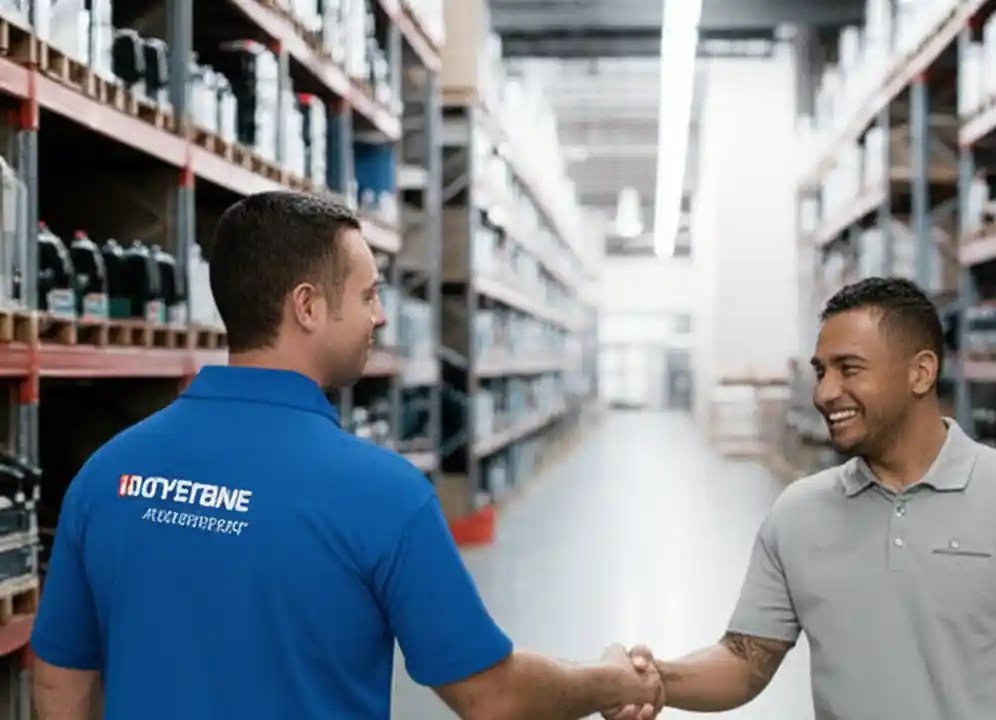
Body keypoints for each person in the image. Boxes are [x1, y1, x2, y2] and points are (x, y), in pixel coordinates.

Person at [30, 191, 663, 720]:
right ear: (307, 307)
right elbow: (489, 693)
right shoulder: (382, 495)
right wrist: (612, 682)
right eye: (368, 295)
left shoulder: (110, 474)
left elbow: (60, 681)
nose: (382, 317)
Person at [609, 277, 996, 720]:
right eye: (820, 371)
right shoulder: (799, 514)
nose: (824, 392)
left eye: (848, 369)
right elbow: (745, 660)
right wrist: (658, 679)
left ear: (920, 372)